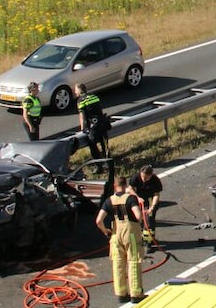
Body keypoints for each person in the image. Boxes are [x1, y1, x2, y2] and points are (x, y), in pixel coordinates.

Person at [95, 176, 145, 304]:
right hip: (130, 234)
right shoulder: (131, 198)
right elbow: (138, 216)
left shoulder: (109, 201)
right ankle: (136, 293)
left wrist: (106, 231)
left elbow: (98, 220)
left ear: (114, 186)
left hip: (115, 235)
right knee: (133, 262)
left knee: (118, 264)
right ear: (126, 185)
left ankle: (121, 294)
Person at [128, 165, 163, 241]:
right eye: (142, 177)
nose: (144, 179)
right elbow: (130, 188)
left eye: (146, 178)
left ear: (150, 176)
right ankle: (140, 237)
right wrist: (137, 197)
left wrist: (152, 208)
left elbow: (156, 195)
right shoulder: (136, 177)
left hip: (150, 200)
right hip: (139, 199)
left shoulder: (155, 180)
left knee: (149, 221)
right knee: (137, 220)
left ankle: (149, 241)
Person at [77, 83, 108, 159]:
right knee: (104, 144)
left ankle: (98, 163)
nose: (75, 92)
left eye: (75, 90)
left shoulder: (81, 101)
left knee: (92, 143)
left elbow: (83, 116)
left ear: (79, 91)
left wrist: (83, 129)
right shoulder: (94, 96)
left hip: (94, 125)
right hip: (102, 122)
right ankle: (108, 160)